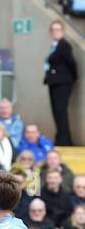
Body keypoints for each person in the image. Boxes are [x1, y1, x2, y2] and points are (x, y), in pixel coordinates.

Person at [44, 19, 77, 147]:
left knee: (60, 110)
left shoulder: (64, 45)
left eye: (58, 29)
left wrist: (71, 78)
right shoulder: (54, 46)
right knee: (56, 112)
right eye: (53, 29)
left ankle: (64, 140)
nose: (55, 32)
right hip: (53, 83)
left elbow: (71, 64)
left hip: (62, 83)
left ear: (62, 31)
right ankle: (62, 137)